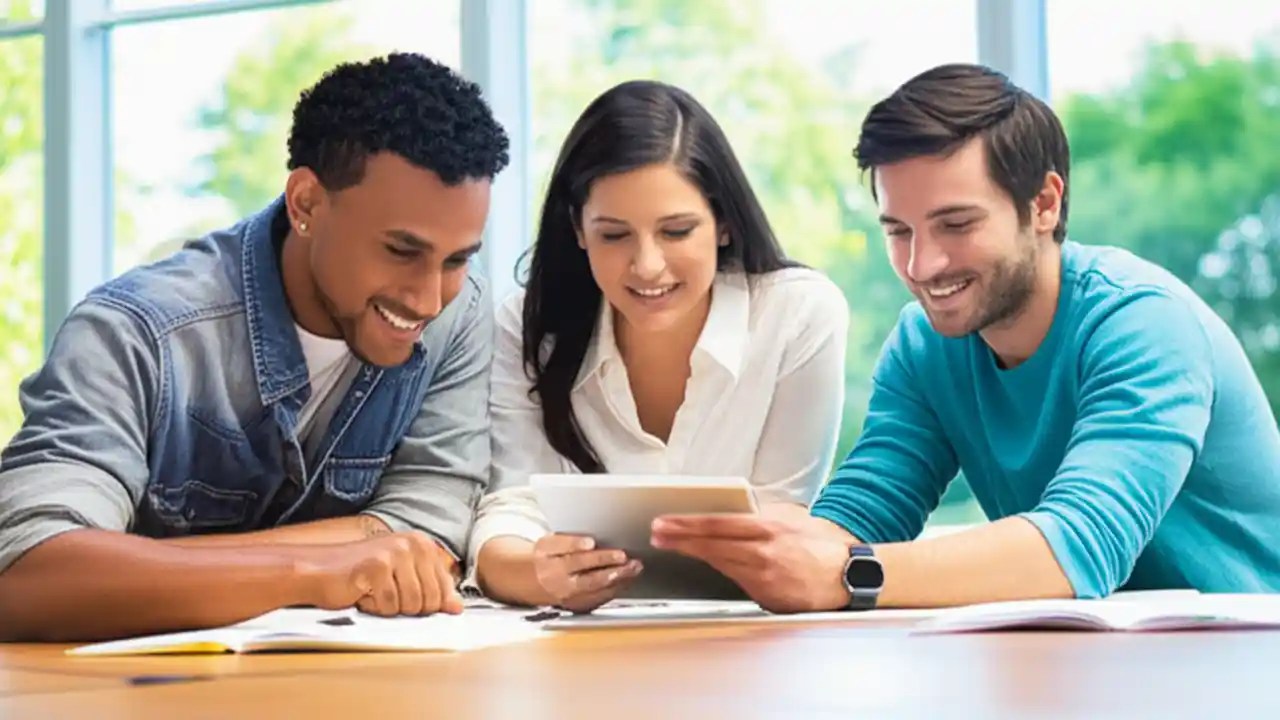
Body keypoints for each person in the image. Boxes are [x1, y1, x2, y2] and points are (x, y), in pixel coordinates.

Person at [650, 63, 1280, 612]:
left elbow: (1079, 547)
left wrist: (848, 573)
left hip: (1242, 666)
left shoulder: (1144, 325)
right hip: (1088, 666)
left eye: (956, 224)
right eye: (899, 231)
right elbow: (867, 509)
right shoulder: (925, 345)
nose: (923, 267)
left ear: (1044, 204)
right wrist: (770, 544)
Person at [0, 53, 510, 641]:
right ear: (306, 205)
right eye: (400, 251)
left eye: (456, 259)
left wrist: (153, 563)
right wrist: (316, 569)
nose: (427, 299)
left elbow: (427, 535)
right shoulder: (135, 333)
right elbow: (27, 572)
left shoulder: (459, 315)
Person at [468, 80, 849, 612]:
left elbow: (783, 522)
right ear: (578, 229)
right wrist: (537, 575)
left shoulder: (798, 315)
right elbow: (510, 507)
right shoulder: (529, 325)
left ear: (722, 224)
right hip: (579, 647)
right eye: (614, 235)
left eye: (676, 231)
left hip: (749, 642)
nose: (647, 266)